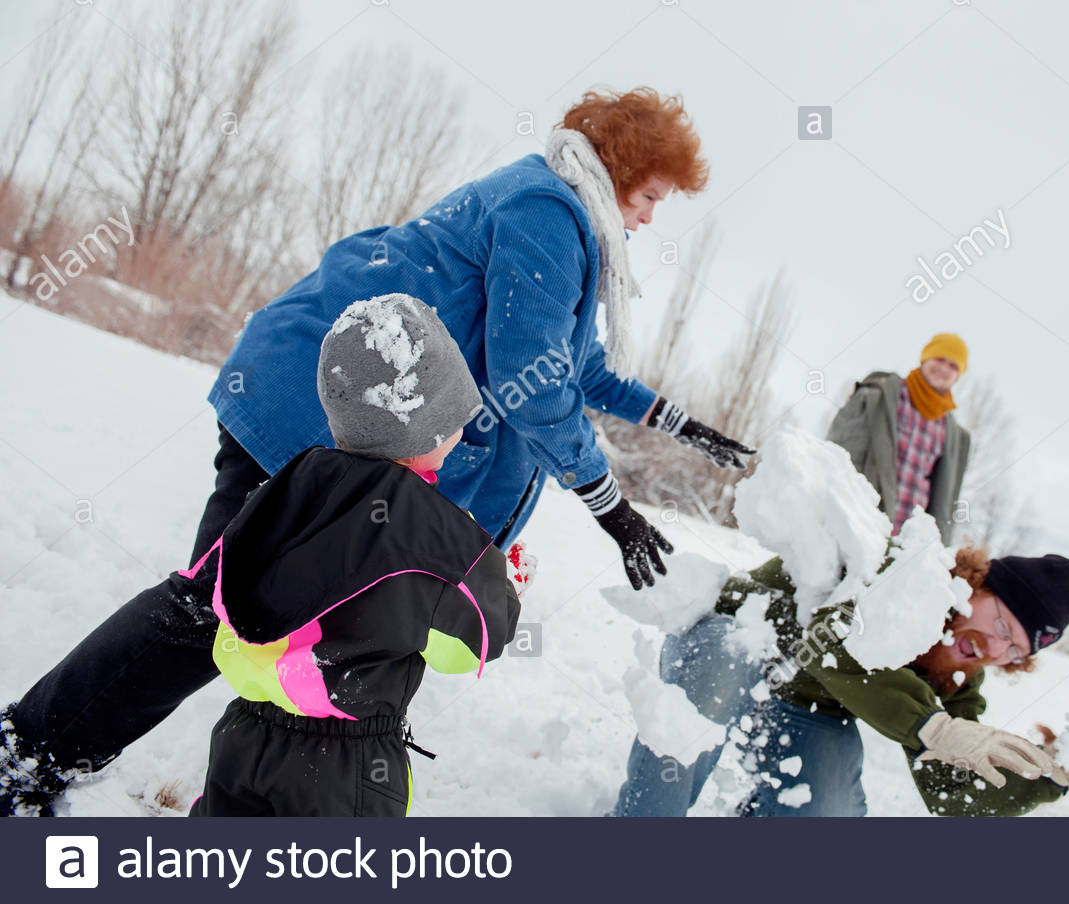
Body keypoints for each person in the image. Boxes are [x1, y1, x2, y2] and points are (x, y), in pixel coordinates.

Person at [0, 86, 753, 816]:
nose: (652, 217)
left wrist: (677, 421)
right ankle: (30, 753)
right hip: (312, 408)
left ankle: (235, 796)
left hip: (344, 421)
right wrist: (609, 506)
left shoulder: (564, 218)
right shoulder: (548, 212)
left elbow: (575, 365)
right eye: (651, 195)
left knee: (285, 624)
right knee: (217, 608)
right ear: (618, 167)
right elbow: (529, 374)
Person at [189, 294, 520, 816]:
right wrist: (502, 584)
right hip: (347, 766)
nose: (462, 433)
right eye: (455, 419)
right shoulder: (434, 532)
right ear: (422, 424)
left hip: (241, 735)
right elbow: (473, 643)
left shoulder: (287, 486)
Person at [612, 549, 1069, 817]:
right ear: (976, 585)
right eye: (1001, 624)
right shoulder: (903, 568)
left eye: (1016, 650)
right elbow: (825, 634)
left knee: (829, 814)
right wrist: (929, 724)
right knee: (719, 675)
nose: (996, 649)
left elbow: (952, 792)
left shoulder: (957, 678)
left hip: (801, 705)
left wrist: (1054, 776)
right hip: (736, 641)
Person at [827, 333, 971, 542]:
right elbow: (837, 457)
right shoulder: (879, 396)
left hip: (905, 548)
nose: (944, 369)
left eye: (953, 365)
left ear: (958, 375)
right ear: (925, 358)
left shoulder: (953, 434)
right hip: (857, 530)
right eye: (939, 359)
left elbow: (945, 501)